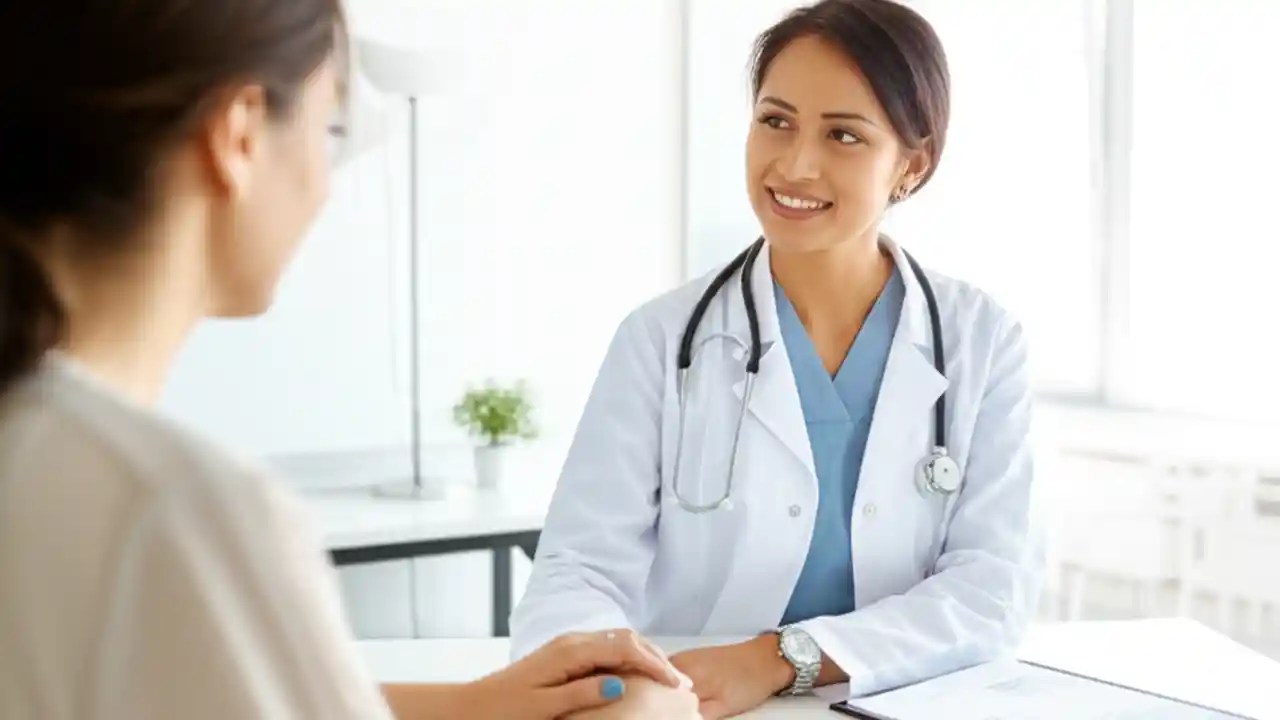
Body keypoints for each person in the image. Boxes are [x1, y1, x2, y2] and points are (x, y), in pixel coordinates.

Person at [0, 1, 699, 719]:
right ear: (239, 135)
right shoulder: (181, 510)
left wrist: (471, 705)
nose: (326, 183)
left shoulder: (50, 449)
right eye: (329, 128)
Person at [510, 0, 1044, 717]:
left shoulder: (982, 341)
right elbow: (578, 570)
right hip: (691, 706)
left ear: (910, 166)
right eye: (776, 121)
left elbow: (991, 589)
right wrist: (609, 683)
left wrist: (777, 659)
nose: (795, 164)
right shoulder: (661, 341)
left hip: (901, 702)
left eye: (844, 135)